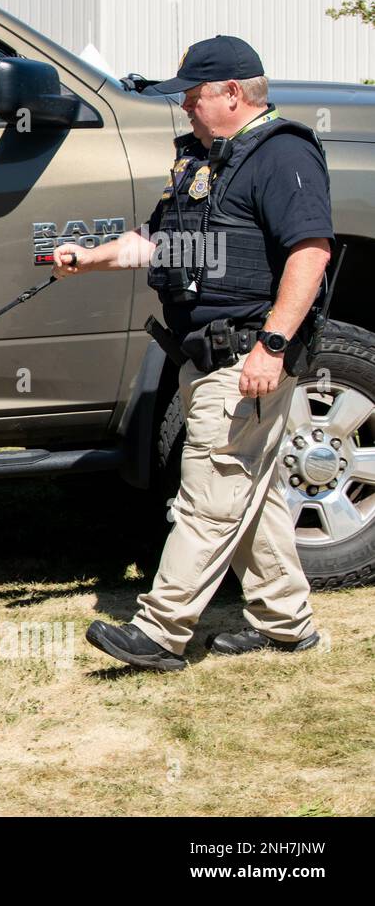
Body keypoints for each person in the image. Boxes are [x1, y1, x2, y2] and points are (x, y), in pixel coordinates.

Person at [52, 36, 332, 671]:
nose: (184, 106)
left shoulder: (282, 154)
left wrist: (273, 345)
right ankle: (285, 622)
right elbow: (163, 243)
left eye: (192, 95)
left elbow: (310, 252)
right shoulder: (205, 162)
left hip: (246, 356)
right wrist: (87, 257)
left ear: (233, 94)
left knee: (210, 488)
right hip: (199, 355)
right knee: (248, 492)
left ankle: (161, 630)